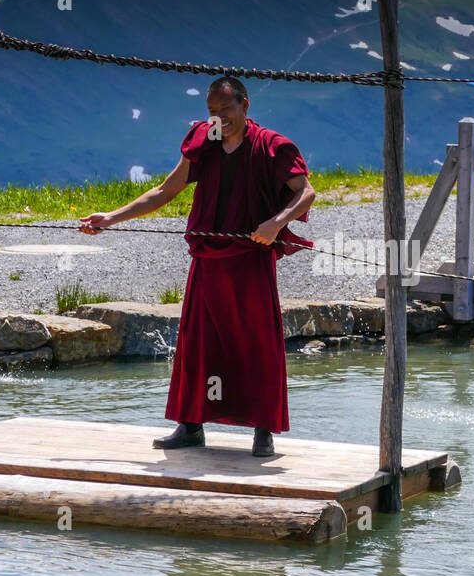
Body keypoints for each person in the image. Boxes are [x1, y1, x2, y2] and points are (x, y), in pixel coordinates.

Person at [78, 76, 315, 456]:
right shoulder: (205, 142)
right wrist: (111, 217)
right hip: (209, 258)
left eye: (227, 110)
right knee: (199, 343)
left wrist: (275, 224)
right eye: (212, 112)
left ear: (245, 105)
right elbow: (164, 191)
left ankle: (263, 431)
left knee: (257, 343)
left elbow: (305, 192)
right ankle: (190, 425)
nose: (219, 118)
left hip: (251, 259)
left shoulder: (272, 146)